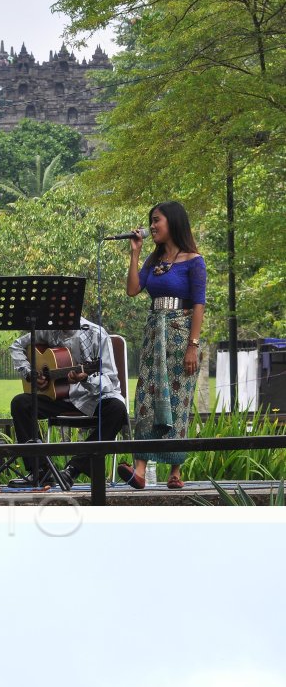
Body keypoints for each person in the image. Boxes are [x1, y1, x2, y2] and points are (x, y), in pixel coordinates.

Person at [118, 201, 206, 490]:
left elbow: (198, 305)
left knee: (178, 400)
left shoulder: (194, 261)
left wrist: (193, 345)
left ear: (174, 222)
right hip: (154, 336)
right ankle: (140, 470)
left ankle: (175, 471)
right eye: (150, 221)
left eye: (157, 220)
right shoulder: (153, 261)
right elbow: (133, 290)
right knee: (146, 400)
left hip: (181, 337)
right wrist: (135, 253)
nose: (152, 226)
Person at [9, 317, 129, 488]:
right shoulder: (49, 330)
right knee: (21, 403)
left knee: (117, 410)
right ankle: (40, 471)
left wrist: (86, 378)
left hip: (93, 397)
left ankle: (74, 468)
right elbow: (16, 346)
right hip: (61, 396)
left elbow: (110, 381)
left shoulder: (96, 334)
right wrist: (31, 374)